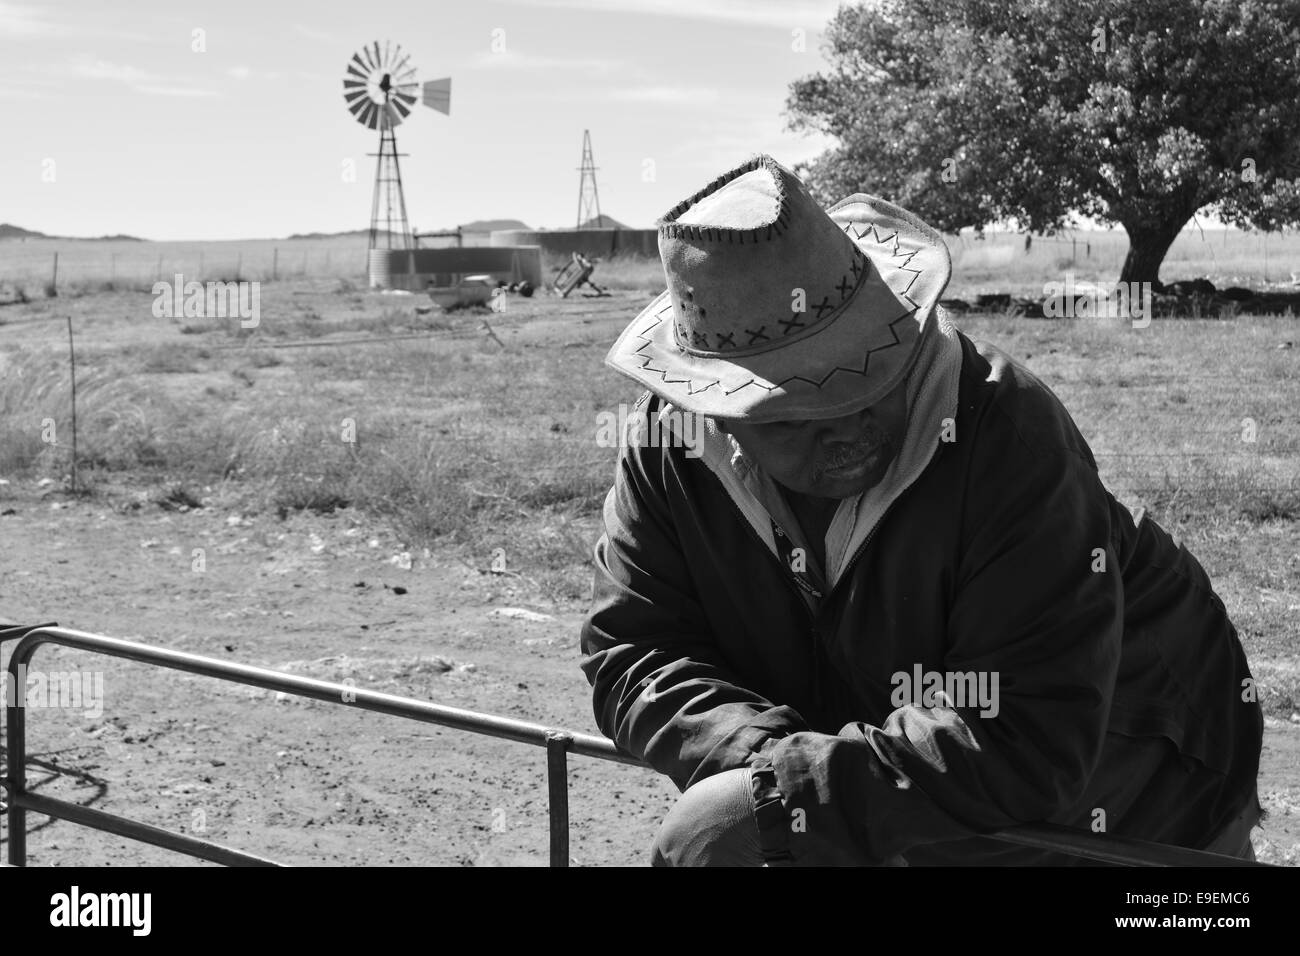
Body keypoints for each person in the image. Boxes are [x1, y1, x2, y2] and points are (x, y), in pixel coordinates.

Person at [578, 154, 1264, 866]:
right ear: (713, 411)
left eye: (869, 379)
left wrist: (787, 796)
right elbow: (635, 648)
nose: (847, 428)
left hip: (1143, 785)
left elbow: (1023, 735)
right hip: (908, 786)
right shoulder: (669, 441)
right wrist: (768, 770)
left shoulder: (1008, 434)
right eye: (793, 415)